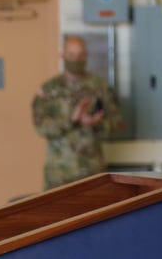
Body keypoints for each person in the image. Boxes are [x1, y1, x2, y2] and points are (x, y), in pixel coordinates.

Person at [32, 35, 122, 189]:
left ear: (86, 56)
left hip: (92, 172)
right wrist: (71, 120)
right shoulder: (49, 89)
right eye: (71, 55)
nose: (76, 59)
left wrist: (97, 124)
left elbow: (117, 122)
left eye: (80, 55)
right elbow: (41, 128)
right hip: (59, 174)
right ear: (63, 56)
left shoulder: (99, 86)